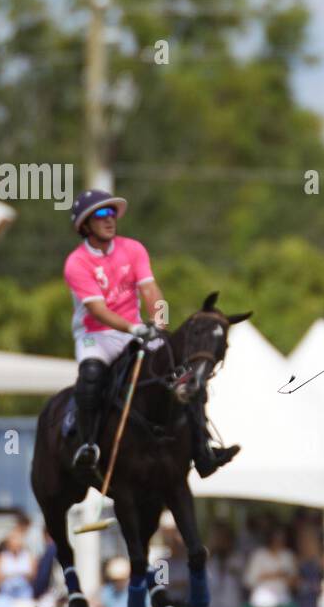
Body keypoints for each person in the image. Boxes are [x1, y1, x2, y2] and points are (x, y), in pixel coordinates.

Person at [63, 188, 238, 479]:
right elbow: (96, 309)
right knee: (91, 377)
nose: (110, 219)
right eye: (101, 214)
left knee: (182, 371)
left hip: (138, 329)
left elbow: (150, 289)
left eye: (112, 213)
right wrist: (134, 327)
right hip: (96, 335)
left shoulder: (133, 249)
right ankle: (89, 445)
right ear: (85, 224)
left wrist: (160, 322)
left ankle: (202, 448)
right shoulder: (77, 263)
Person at [244, 527, 299, 607]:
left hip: (283, 601)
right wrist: (276, 575)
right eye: (275, 538)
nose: (278, 541)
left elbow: (294, 581)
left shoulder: (288, 555)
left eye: (281, 538)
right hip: (260, 602)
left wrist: (285, 578)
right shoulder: (259, 555)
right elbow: (249, 580)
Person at [0, 522, 35, 607]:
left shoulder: (28, 556)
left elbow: (32, 576)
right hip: (6, 597)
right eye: (13, 539)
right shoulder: (2, 558)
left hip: (23, 597)